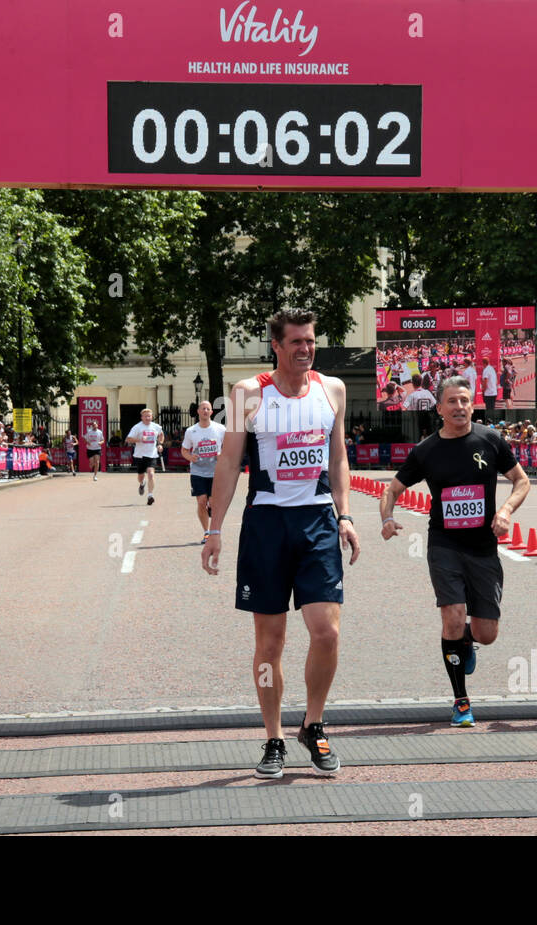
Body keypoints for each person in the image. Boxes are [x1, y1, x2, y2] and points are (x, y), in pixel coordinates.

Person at [201, 308, 360, 779]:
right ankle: (273, 737)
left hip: (316, 524)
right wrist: (214, 529)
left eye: (310, 340)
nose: (305, 349)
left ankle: (313, 724)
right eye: (296, 342)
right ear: (277, 345)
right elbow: (229, 464)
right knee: (270, 643)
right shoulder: (248, 394)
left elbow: (338, 457)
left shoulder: (333, 389)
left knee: (326, 632)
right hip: (266, 527)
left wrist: (345, 515)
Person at [379, 377, 530, 727]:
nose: (459, 407)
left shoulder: (489, 439)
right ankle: (461, 700)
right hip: (444, 545)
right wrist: (387, 518)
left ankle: (466, 639)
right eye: (452, 401)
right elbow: (393, 489)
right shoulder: (427, 450)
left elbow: (521, 481)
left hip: (482, 548)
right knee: (452, 614)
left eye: (464, 400)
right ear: (439, 408)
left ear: (473, 405)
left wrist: (505, 511)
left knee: (486, 634)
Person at [181, 400, 226, 543]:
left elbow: (229, 447)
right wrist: (190, 457)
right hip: (198, 471)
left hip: (215, 471)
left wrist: (222, 455)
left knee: (212, 502)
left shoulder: (220, 429)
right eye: (203, 408)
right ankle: (206, 532)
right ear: (198, 412)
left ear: (212, 412)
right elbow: (184, 450)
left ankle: (213, 529)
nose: (205, 411)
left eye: (208, 409)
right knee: (201, 501)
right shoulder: (191, 431)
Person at [125, 409, 164, 505]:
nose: (147, 418)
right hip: (140, 455)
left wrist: (160, 444)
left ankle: (150, 495)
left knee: (151, 474)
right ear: (141, 417)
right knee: (140, 476)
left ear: (152, 417)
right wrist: (139, 439)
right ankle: (142, 484)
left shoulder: (156, 427)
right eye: (145, 416)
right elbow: (128, 439)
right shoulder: (137, 427)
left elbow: (161, 435)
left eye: (149, 416)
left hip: (152, 454)